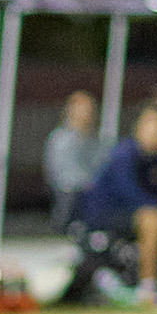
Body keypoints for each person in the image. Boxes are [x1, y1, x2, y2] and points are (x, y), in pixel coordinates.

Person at [60, 102, 157, 308]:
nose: (153, 131)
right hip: (105, 215)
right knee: (152, 219)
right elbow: (130, 195)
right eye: (149, 125)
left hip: (134, 214)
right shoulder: (124, 154)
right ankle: (148, 286)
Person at [43, 91, 106, 232]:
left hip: (92, 191)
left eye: (90, 109)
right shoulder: (60, 139)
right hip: (70, 192)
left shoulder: (96, 141)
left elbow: (103, 167)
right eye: (83, 109)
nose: (87, 113)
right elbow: (63, 175)